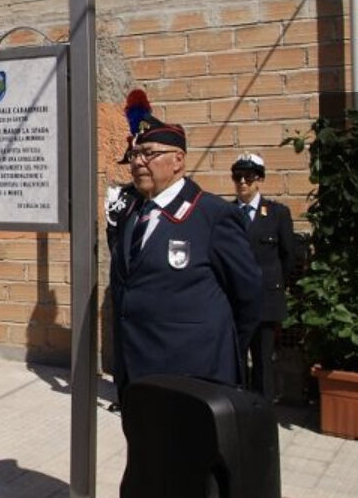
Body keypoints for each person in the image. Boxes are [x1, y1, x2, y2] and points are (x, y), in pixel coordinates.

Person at [109, 109, 262, 406]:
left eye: (149, 153)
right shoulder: (132, 213)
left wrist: (217, 351)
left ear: (178, 160)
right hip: (137, 375)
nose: (138, 161)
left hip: (194, 376)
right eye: (135, 154)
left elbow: (249, 296)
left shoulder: (212, 215)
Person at [230, 152, 295, 401]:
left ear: (259, 180)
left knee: (263, 361)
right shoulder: (226, 213)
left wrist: (274, 286)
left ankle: (263, 414)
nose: (242, 182)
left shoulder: (277, 213)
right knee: (234, 359)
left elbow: (287, 257)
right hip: (235, 300)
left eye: (248, 176)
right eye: (237, 177)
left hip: (266, 299)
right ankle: (237, 408)